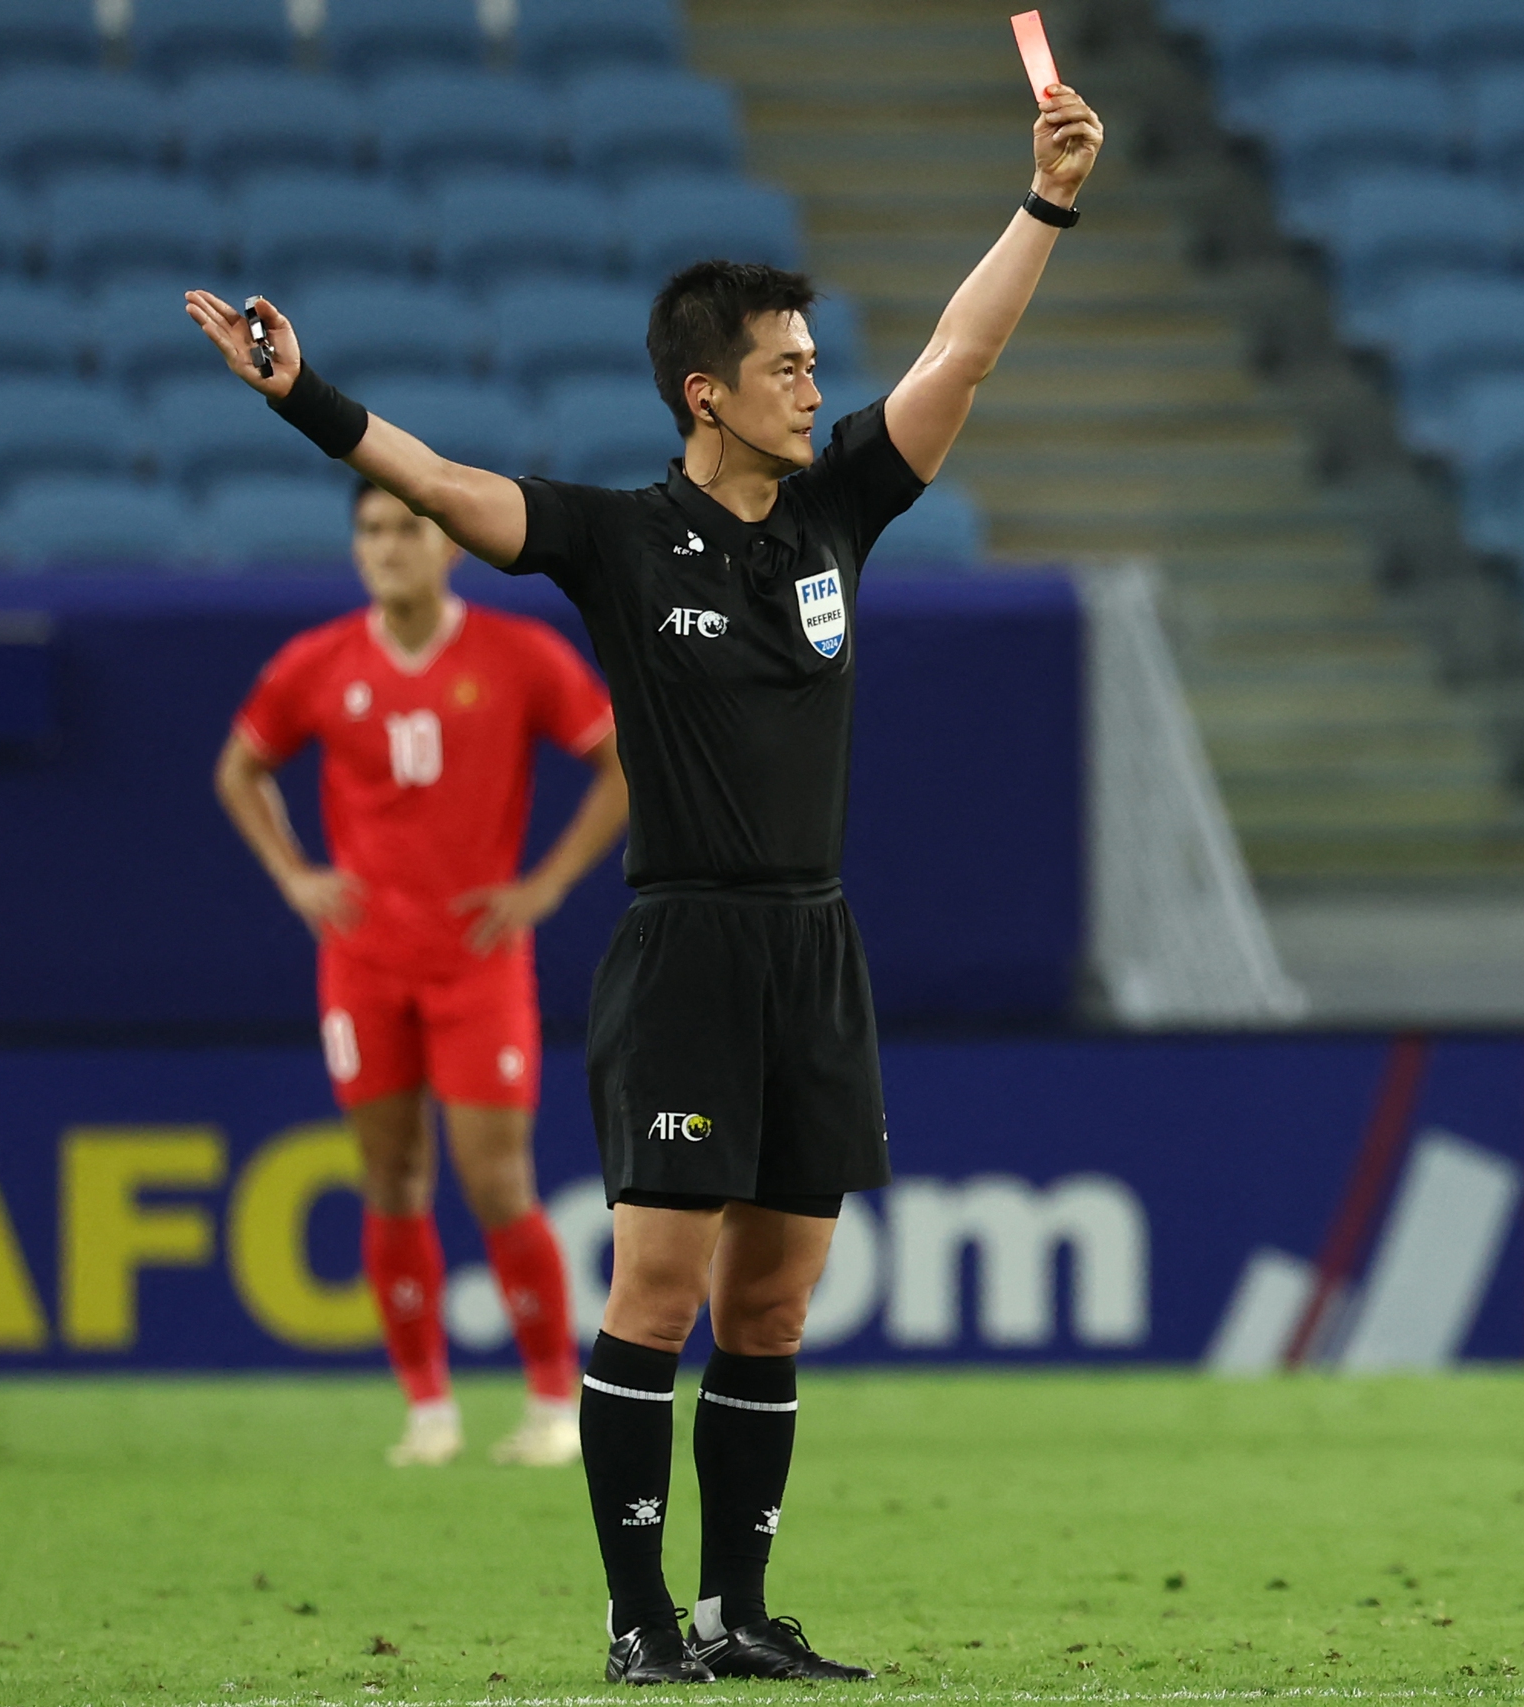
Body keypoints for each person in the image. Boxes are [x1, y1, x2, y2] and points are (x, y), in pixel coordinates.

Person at [186, 80, 1104, 1688]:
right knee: (662, 1287)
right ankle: (637, 1618)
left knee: (776, 1303)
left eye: (818, 362)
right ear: (706, 391)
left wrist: (1043, 206)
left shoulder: (838, 514)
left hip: (814, 947)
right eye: (786, 366)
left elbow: (965, 355)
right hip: (681, 945)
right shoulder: (616, 538)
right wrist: (306, 396)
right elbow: (452, 486)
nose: (817, 383)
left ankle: (742, 1613)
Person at [215, 481, 629, 1469]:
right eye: (370, 531)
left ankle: (548, 1402)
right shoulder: (317, 664)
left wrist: (546, 885)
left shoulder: (519, 655)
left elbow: (621, 760)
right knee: (391, 1177)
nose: (386, 547)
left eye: (407, 530)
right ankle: (428, 1408)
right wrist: (295, 876)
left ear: (452, 551)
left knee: (496, 1179)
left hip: (477, 960)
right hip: (362, 962)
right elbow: (241, 768)